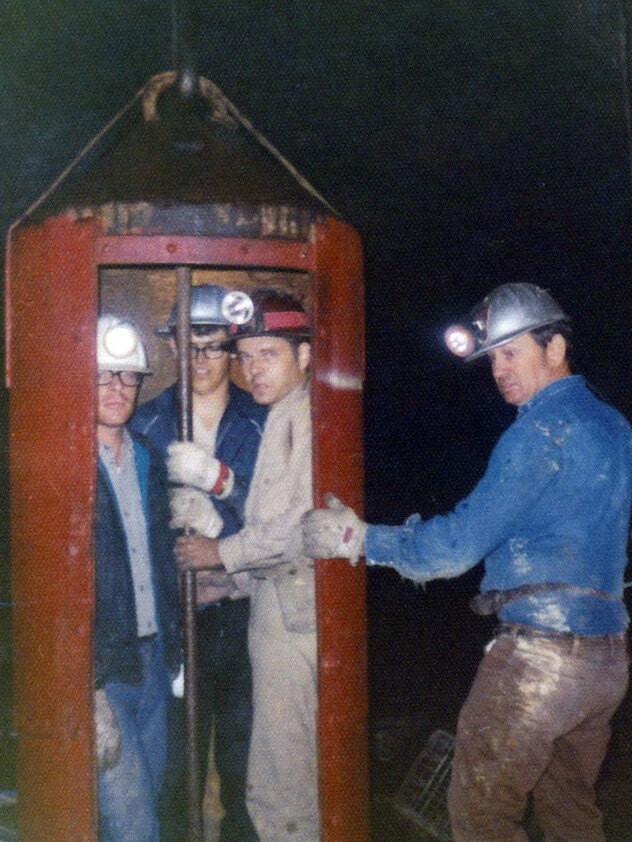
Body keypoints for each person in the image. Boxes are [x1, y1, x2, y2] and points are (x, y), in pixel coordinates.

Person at [302, 282, 632, 842]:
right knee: (571, 815)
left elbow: (453, 549)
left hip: (539, 658)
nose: (499, 369)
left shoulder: (537, 433)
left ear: (554, 348)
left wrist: (357, 538)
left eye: (512, 352)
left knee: (480, 814)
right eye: (493, 358)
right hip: (606, 661)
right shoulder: (615, 427)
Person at [168, 288, 318, 842]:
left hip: (289, 620)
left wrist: (219, 552)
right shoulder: (281, 416)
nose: (253, 369)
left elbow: (297, 523)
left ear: (305, 356)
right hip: (264, 612)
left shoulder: (300, 418)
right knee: (266, 776)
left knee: (281, 783)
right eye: (247, 355)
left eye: (269, 354)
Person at [131, 284, 266, 842]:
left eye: (213, 347)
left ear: (232, 350)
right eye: (190, 345)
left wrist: (223, 517)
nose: (201, 360)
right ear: (170, 348)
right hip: (171, 624)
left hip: (240, 617)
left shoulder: (263, 420)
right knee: (172, 772)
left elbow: (277, 511)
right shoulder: (144, 425)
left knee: (243, 769)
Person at [94, 315, 181, 842]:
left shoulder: (149, 458)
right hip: (104, 672)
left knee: (149, 798)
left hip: (153, 661)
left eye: (127, 377)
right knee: (132, 825)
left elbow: (162, 560)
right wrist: (88, 689)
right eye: (103, 375)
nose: (117, 388)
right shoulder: (65, 462)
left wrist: (177, 651)